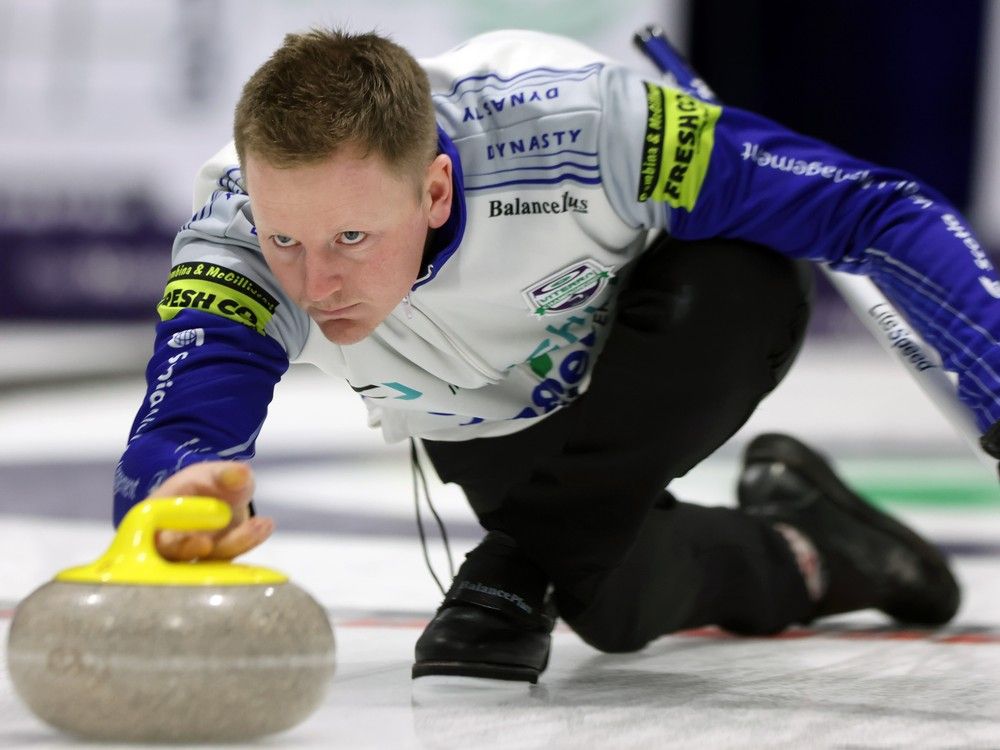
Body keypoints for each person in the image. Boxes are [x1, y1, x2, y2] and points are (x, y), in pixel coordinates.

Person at [113, 27, 1000, 684]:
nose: (316, 284)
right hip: (481, 414)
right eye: (288, 241)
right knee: (612, 604)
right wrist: (175, 494)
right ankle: (818, 547)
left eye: (352, 235)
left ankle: (514, 563)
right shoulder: (231, 233)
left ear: (434, 189)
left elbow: (873, 211)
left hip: (653, 334)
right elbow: (186, 418)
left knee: (745, 275)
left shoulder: (586, 126)